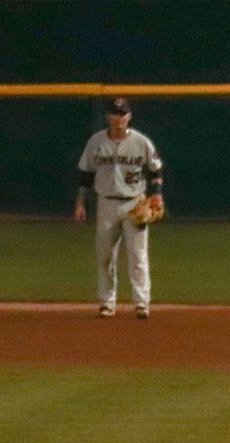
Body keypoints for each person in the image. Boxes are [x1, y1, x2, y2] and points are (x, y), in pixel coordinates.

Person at [75, 97, 164, 320]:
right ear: (108, 116)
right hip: (106, 203)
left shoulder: (141, 142)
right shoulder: (96, 142)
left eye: (123, 113)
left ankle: (142, 303)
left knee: (138, 256)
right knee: (105, 256)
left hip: (135, 203)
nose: (119, 118)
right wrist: (81, 202)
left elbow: (155, 170)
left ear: (129, 116)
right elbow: (86, 174)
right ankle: (107, 303)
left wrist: (156, 194)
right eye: (115, 113)